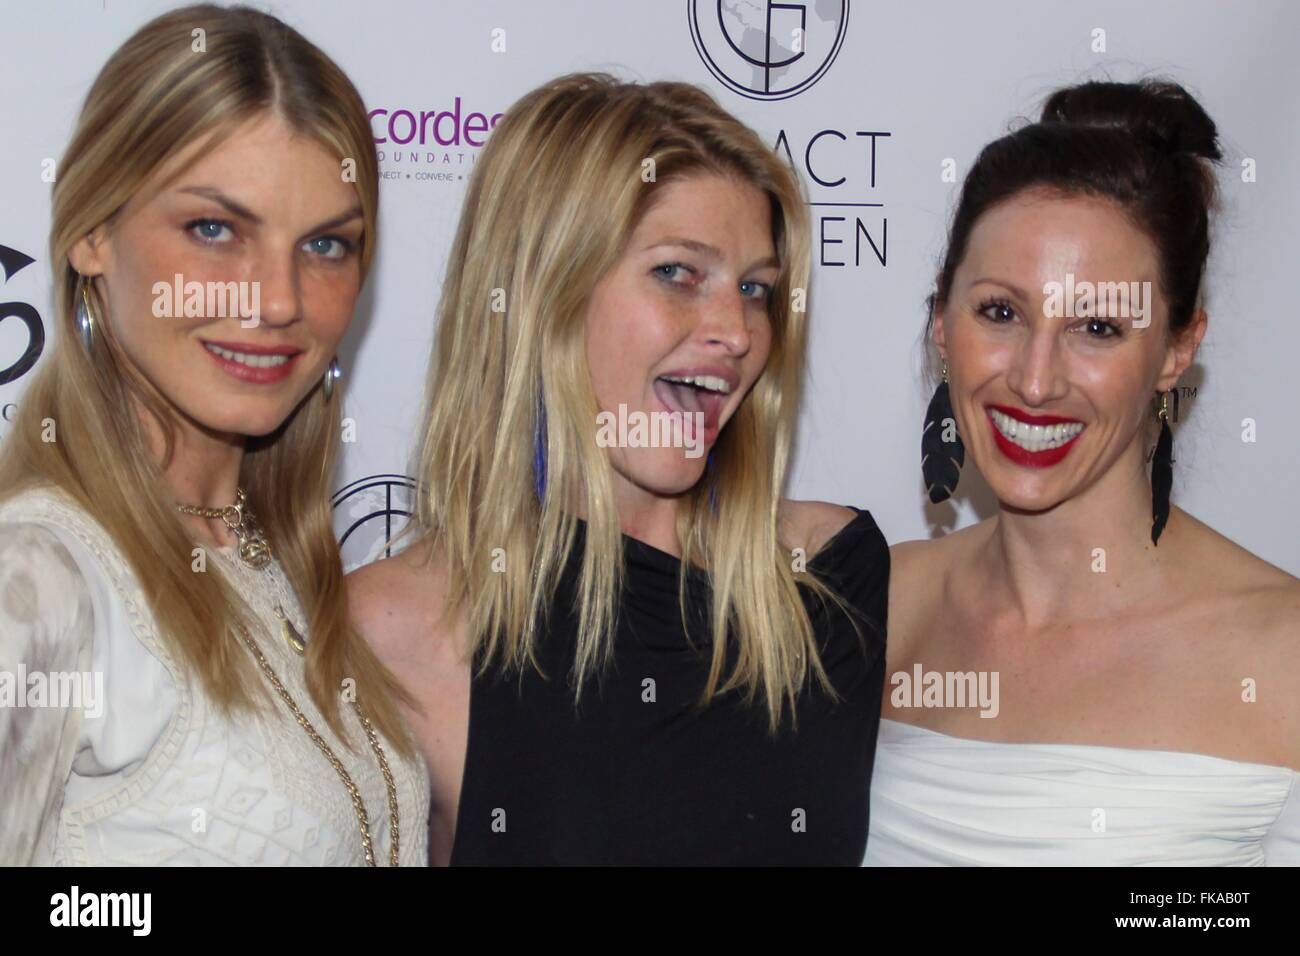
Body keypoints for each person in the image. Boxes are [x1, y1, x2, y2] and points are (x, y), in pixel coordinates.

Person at [350, 72, 889, 865]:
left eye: (755, 289)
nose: (737, 331)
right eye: (678, 273)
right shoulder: (389, 630)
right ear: (541, 290)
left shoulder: (827, 578)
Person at [0, 4, 428, 866]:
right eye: (213, 229)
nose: (277, 299)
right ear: (91, 232)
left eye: (326, 245)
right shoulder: (36, 580)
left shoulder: (277, 564)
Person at [867, 79, 1300, 865]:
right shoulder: (863, 609)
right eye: (1000, 312)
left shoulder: (1286, 655)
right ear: (941, 319)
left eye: (1097, 327)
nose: (1035, 381)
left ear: (1176, 348)